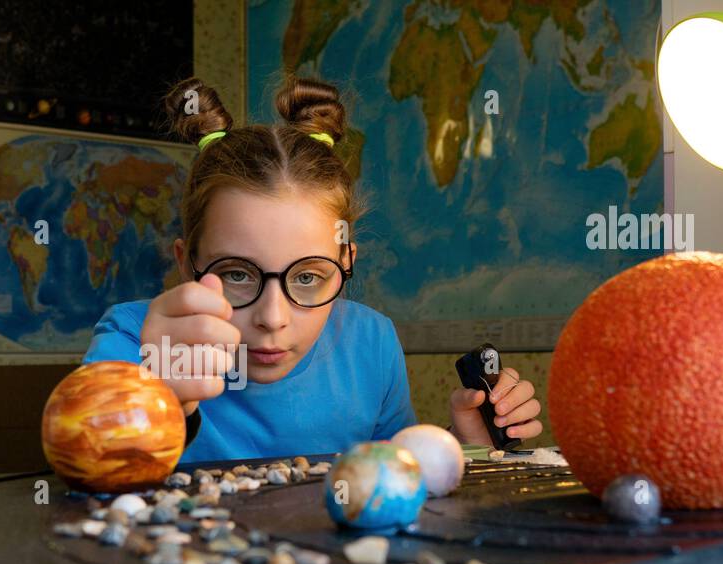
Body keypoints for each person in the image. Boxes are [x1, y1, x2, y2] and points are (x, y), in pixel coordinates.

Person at [84, 76, 542, 463]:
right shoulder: (135, 338)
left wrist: (469, 447)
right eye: (237, 274)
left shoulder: (371, 343)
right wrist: (160, 401)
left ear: (346, 263)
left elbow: (388, 480)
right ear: (187, 263)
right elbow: (85, 470)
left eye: (306, 277)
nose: (273, 317)